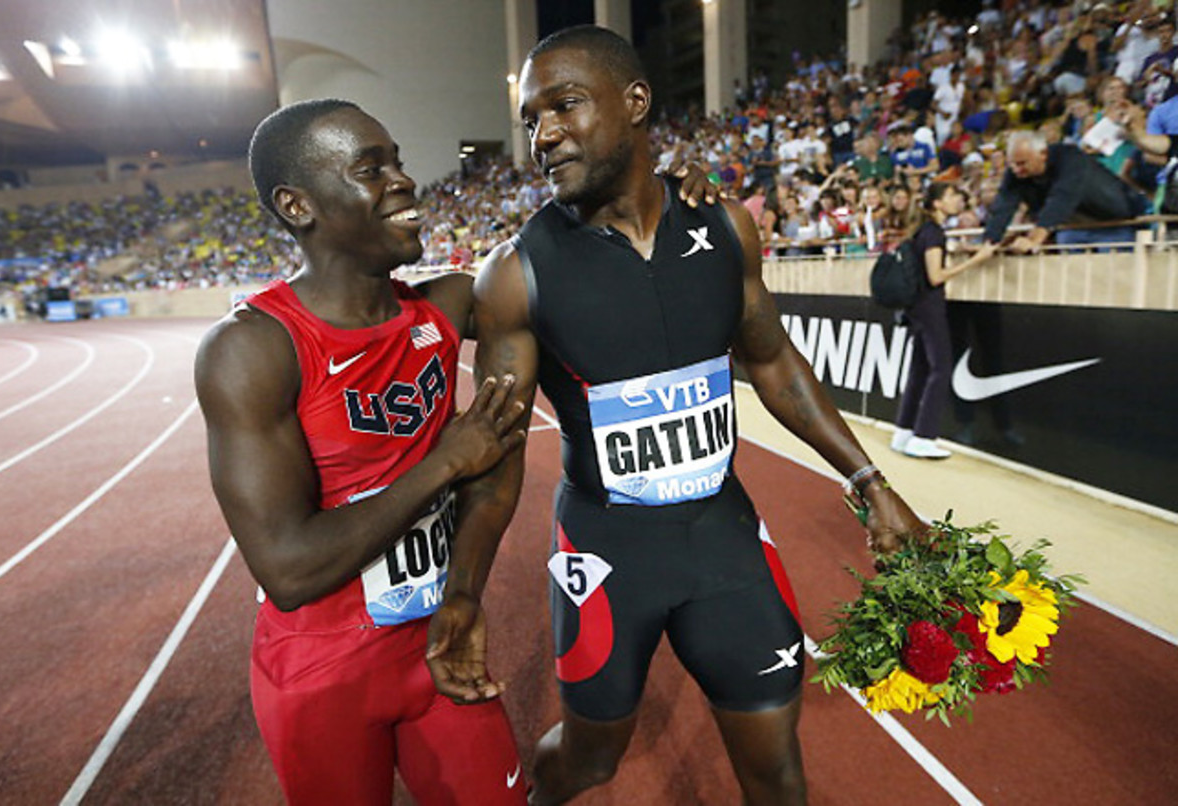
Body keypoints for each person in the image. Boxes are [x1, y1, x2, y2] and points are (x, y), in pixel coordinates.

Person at [424, 26, 924, 805]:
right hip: (607, 549)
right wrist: (464, 592)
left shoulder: (724, 226)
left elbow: (771, 361)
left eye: (565, 106)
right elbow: (500, 451)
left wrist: (867, 477)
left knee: (776, 765)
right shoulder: (518, 274)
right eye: (531, 119)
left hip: (724, 539)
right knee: (589, 762)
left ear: (635, 103)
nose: (543, 134)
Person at [193, 99, 532, 805]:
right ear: (298, 205)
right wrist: (444, 462)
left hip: (438, 642)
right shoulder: (252, 348)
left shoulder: (448, 304)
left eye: (399, 162)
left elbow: (563, 260)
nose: (405, 181)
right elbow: (288, 568)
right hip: (322, 672)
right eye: (371, 169)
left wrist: (676, 196)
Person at [891, 183, 997, 459]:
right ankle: (924, 436)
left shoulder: (922, 231)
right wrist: (978, 259)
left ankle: (903, 431)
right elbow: (935, 276)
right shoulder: (933, 232)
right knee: (941, 368)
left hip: (916, 307)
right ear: (937, 203)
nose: (958, 200)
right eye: (952, 195)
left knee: (920, 369)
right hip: (930, 306)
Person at [983, 129, 1150, 252]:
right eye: (1012, 164)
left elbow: (1063, 196)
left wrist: (1036, 237)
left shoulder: (1071, 158)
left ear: (1043, 153)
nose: (1016, 170)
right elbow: (1003, 205)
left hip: (1115, 225)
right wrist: (989, 241)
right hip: (1073, 229)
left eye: (1022, 164)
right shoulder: (1015, 173)